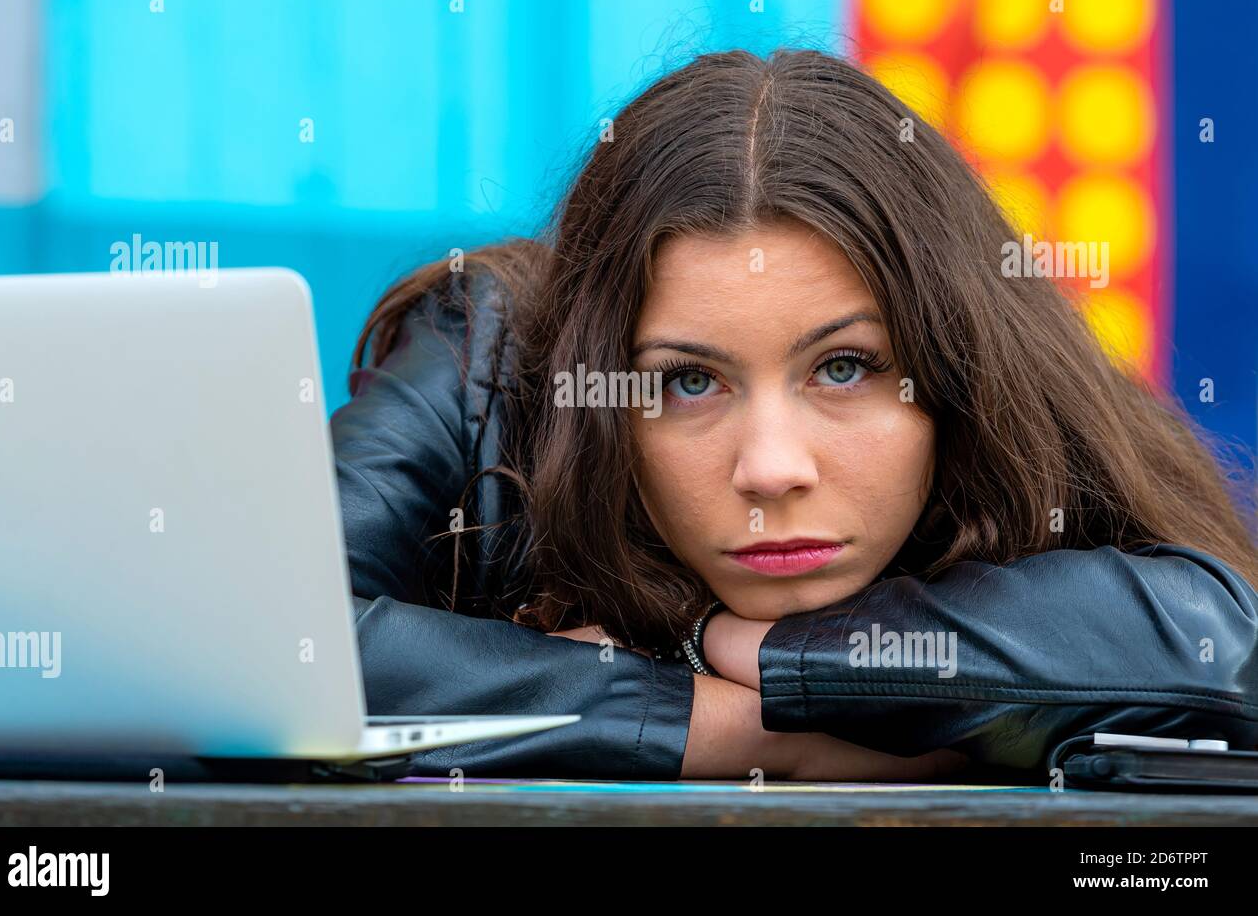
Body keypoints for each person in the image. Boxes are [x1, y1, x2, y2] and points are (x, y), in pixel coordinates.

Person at [333, 48, 1258, 782]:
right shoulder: (490, 362)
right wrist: (703, 722)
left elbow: (1219, 649)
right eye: (688, 383)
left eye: (845, 368)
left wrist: (751, 654)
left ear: (956, 377)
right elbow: (268, 646)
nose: (772, 469)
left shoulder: (1029, 454)